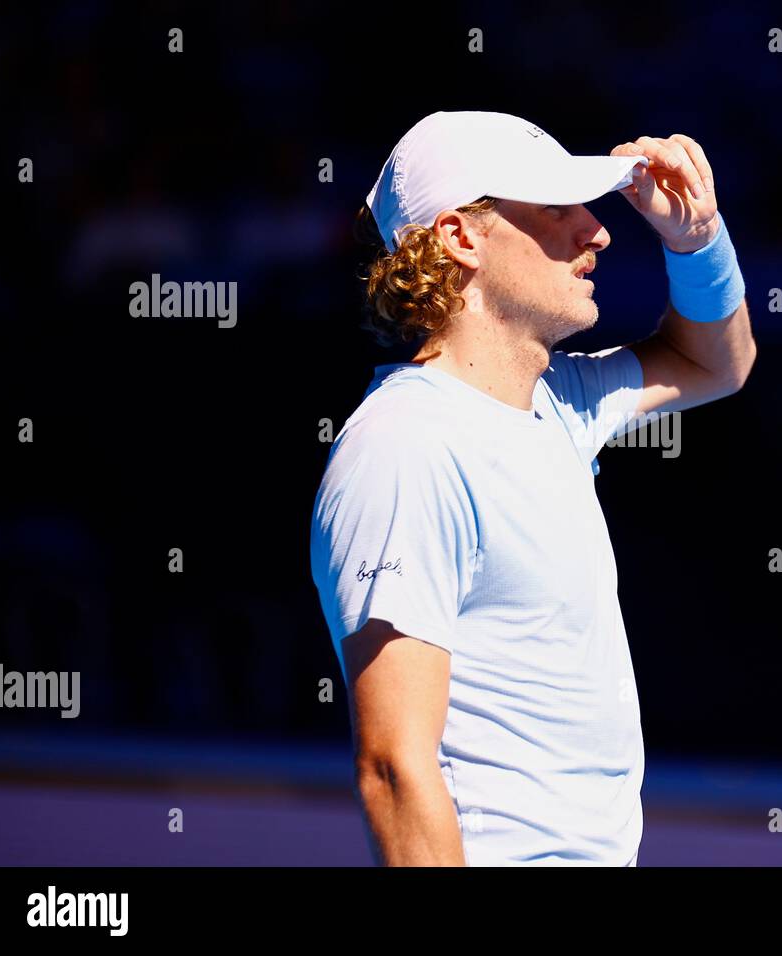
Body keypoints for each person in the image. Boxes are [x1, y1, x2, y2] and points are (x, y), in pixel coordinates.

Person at [310, 110, 755, 865]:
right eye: (556, 208)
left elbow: (721, 364)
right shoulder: (404, 446)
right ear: (460, 237)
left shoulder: (558, 404)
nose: (599, 231)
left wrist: (697, 239)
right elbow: (393, 771)